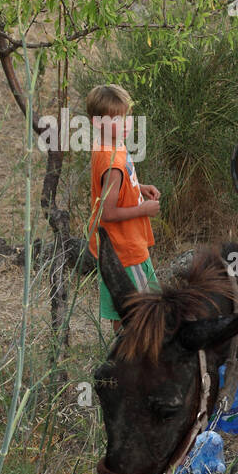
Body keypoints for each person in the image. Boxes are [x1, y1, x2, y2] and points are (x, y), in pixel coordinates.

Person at [85, 84, 160, 334]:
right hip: (125, 247)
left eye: (126, 116)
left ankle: (120, 352)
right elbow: (109, 212)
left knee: (120, 305)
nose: (126, 124)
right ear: (98, 123)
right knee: (146, 307)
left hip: (112, 246)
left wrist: (141, 187)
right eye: (116, 119)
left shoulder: (108, 145)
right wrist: (144, 209)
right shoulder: (113, 161)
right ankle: (136, 353)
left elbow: (115, 187)